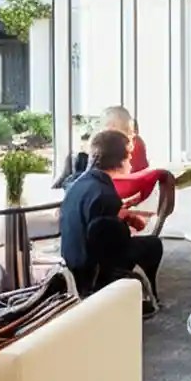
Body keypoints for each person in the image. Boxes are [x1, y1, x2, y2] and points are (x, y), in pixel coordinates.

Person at [60, 129, 163, 313]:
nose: (131, 161)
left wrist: (122, 213)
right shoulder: (105, 194)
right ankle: (141, 292)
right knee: (153, 244)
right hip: (94, 266)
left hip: (73, 261)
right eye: (129, 155)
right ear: (120, 158)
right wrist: (124, 222)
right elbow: (115, 238)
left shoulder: (80, 184)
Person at [99, 106, 176, 233]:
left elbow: (131, 177)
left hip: (124, 194)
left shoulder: (128, 145)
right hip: (122, 195)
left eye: (108, 125)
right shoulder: (117, 144)